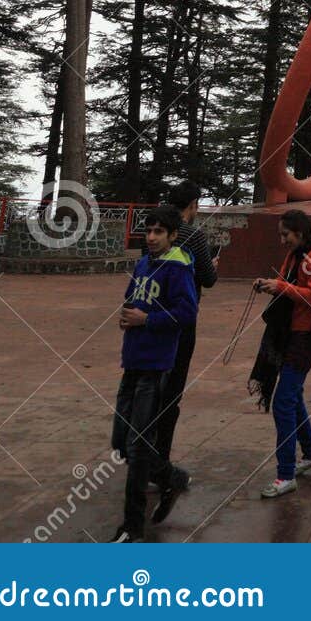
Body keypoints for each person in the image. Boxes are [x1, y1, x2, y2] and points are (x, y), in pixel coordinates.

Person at [111, 205, 198, 541]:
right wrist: (129, 316)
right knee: (120, 441)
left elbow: (187, 313)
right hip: (132, 360)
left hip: (156, 365)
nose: (150, 238)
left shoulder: (178, 269)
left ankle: (132, 527)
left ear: (172, 235)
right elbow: (132, 297)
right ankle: (171, 479)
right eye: (147, 231)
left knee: (136, 446)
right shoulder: (144, 263)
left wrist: (147, 320)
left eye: (158, 232)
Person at [249, 209, 311, 498]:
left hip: (304, 337)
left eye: (285, 234)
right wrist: (272, 285)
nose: (282, 240)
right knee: (292, 395)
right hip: (291, 333)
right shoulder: (298, 255)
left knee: (283, 401)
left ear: (299, 232)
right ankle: (310, 451)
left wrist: (281, 287)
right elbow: (293, 287)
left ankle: (285, 474)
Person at [152, 181, 218, 477]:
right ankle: (160, 462)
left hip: (151, 316)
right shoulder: (192, 235)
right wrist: (213, 265)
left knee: (150, 388)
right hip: (181, 320)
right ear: (193, 204)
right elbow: (208, 277)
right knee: (172, 392)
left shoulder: (155, 233)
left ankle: (143, 454)